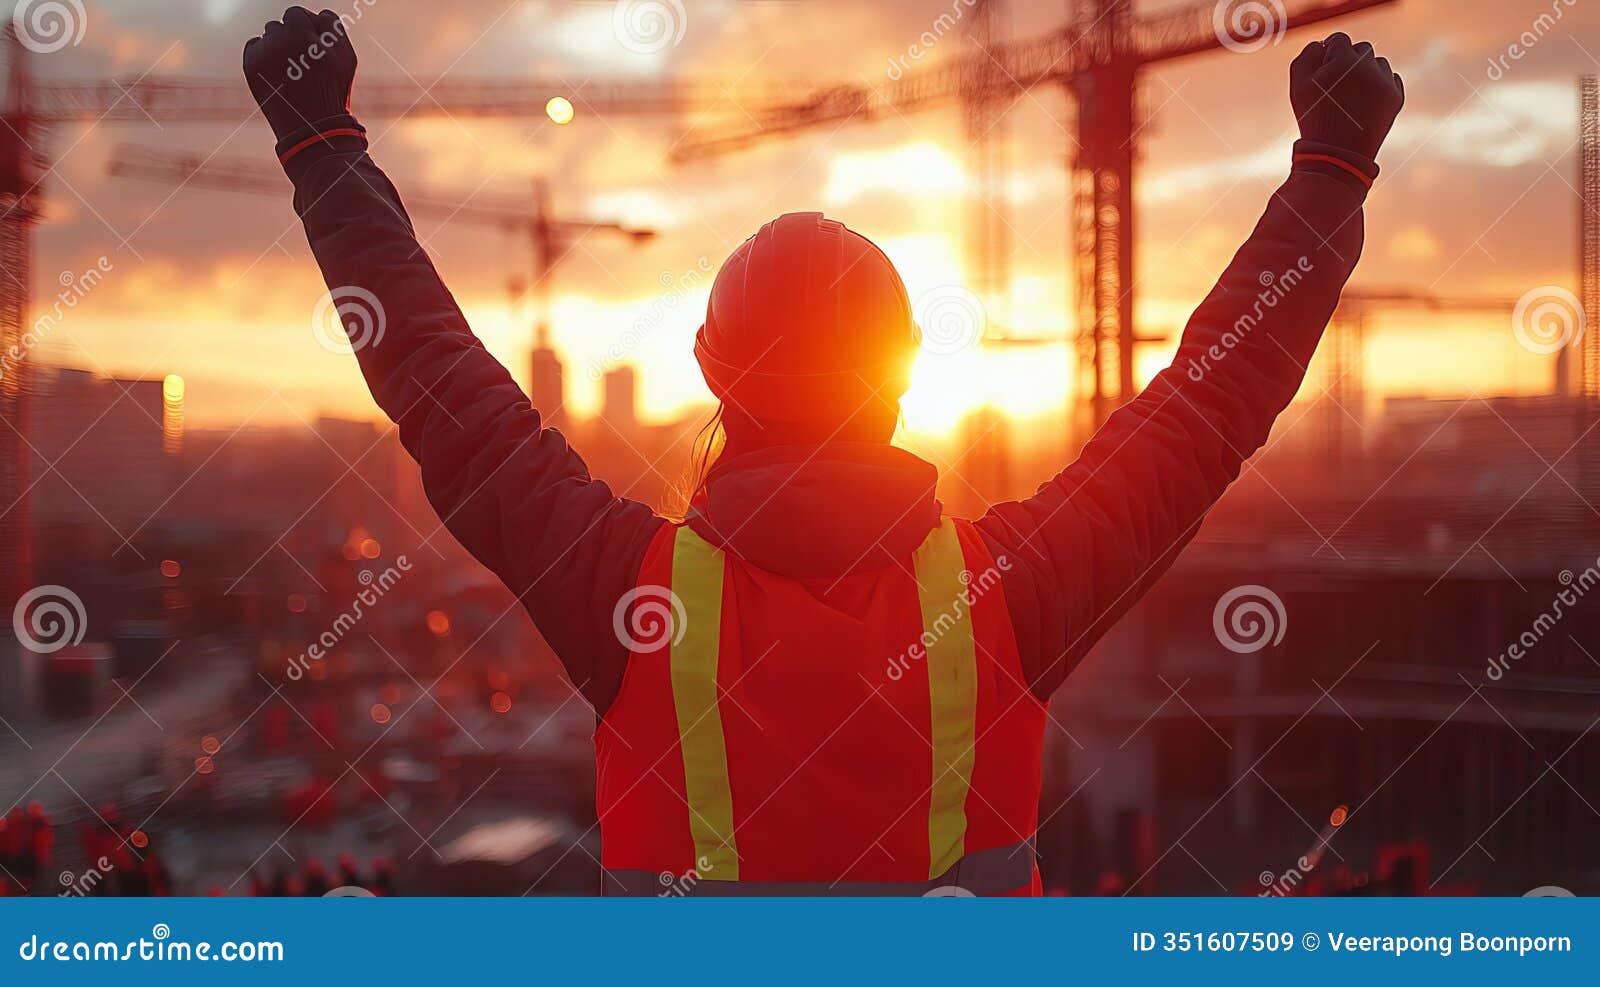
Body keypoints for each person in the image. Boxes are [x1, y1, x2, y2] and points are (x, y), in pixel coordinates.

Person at [243, 8, 1402, 895]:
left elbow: (448, 395)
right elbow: (1202, 412)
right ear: (903, 374)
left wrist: (324, 149)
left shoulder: (632, 599)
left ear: (709, 366)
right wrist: (1329, 174)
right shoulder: (1004, 599)